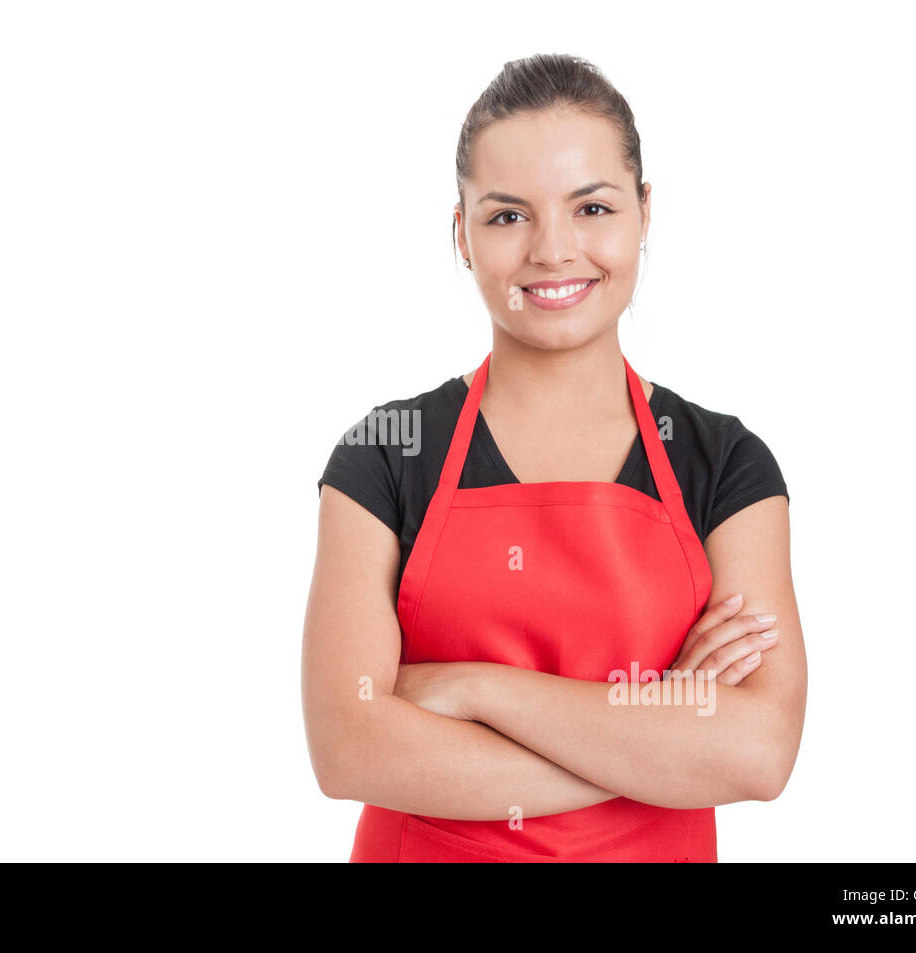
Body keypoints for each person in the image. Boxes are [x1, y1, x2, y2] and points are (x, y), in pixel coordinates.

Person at [301, 53, 806, 862]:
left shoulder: (725, 464)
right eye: (508, 216)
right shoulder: (383, 455)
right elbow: (348, 749)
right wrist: (659, 737)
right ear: (460, 233)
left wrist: (473, 689)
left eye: (592, 207)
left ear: (644, 213)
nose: (553, 250)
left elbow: (758, 752)